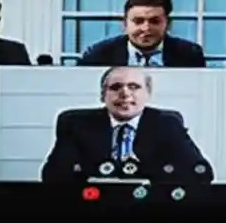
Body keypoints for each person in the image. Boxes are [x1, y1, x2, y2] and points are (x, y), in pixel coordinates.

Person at [40, 67, 212, 184]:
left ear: (147, 94)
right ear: (103, 95)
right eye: (116, 87)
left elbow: (202, 173)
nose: (125, 93)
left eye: (134, 87)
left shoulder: (167, 124)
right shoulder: (75, 124)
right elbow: (53, 175)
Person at [77, 0, 205, 68]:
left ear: (168, 24)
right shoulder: (99, 54)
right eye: (138, 21)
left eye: (154, 21)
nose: (146, 28)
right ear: (125, 24)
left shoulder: (189, 54)